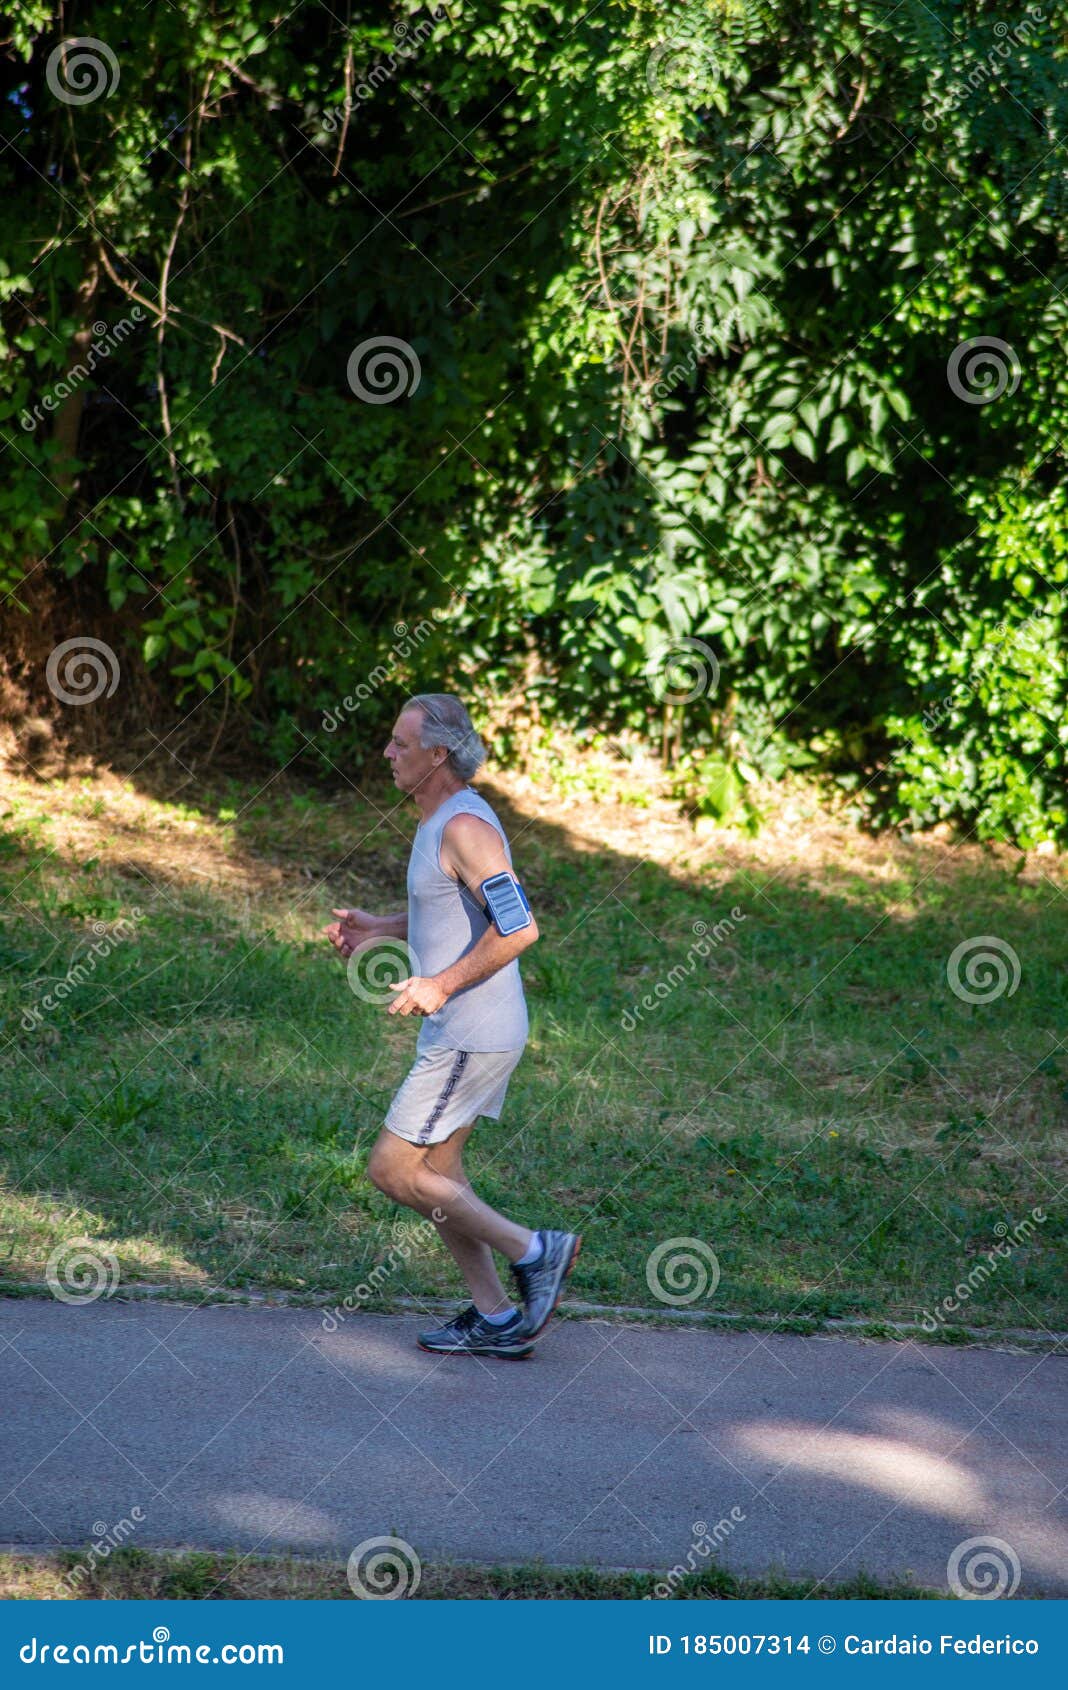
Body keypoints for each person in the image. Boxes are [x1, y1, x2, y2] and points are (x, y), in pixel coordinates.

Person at [324, 692, 580, 1358]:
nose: (387, 752)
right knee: (439, 1173)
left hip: (472, 1031)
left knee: (392, 1169)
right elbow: (450, 909)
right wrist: (380, 928)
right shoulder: (440, 820)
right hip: (465, 1031)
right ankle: (497, 1318)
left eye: (400, 744)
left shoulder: (465, 827)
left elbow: (519, 927)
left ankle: (537, 1251)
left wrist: (439, 984)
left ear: (437, 754)